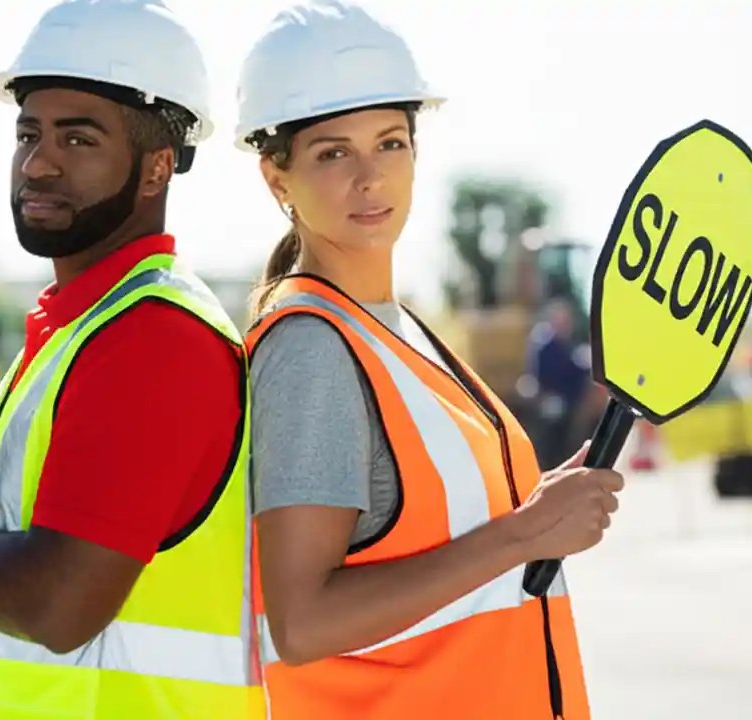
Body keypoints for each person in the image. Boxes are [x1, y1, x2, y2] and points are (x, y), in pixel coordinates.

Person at [0, 2, 260, 717]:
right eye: (28, 132)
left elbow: (57, 606)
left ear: (157, 168)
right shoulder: (77, 330)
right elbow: (9, 586)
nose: (37, 162)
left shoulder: (155, 339)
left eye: (78, 138)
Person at [235, 2, 624, 718]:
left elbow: (455, 544)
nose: (369, 176)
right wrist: (525, 531)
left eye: (389, 142)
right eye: (331, 152)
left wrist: (537, 504)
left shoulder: (403, 333)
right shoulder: (310, 349)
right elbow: (301, 625)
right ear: (276, 179)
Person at [526, 298, 595, 469]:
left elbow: (574, 369)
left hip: (569, 397)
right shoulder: (546, 345)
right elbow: (545, 375)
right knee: (556, 417)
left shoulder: (566, 344)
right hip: (552, 396)